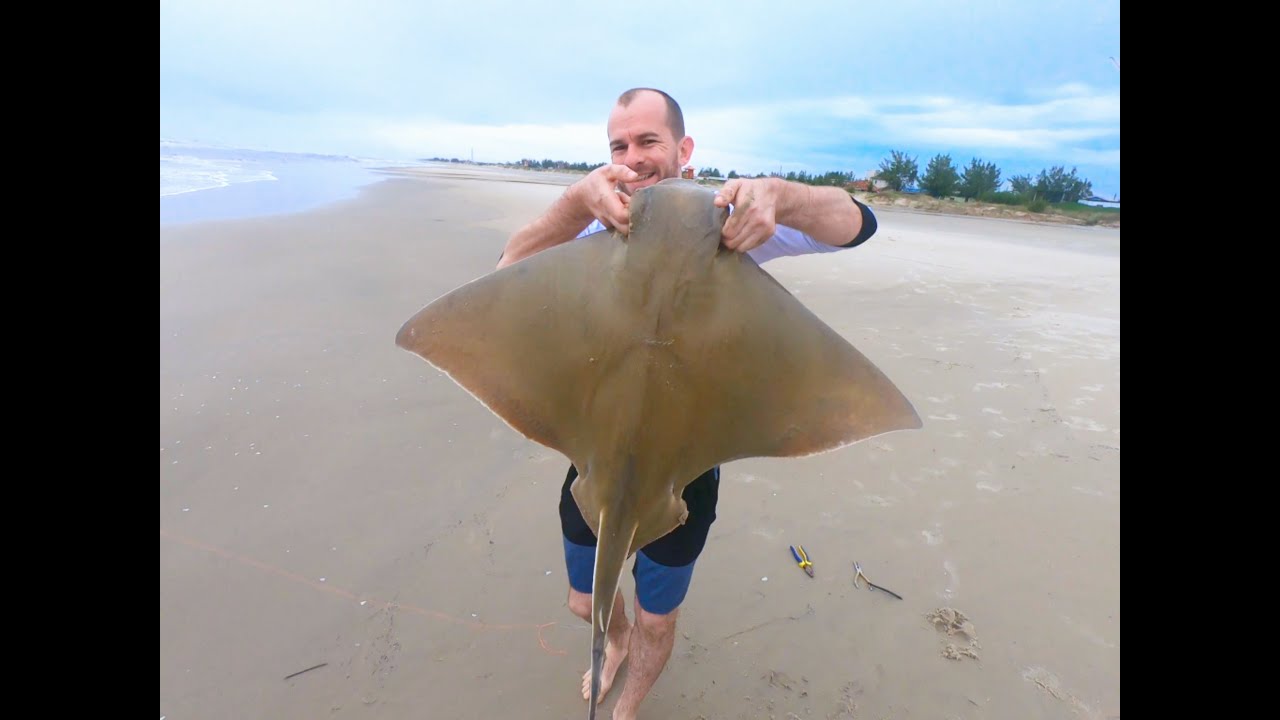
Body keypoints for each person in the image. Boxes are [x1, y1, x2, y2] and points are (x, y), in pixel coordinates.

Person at [496, 87, 879, 720]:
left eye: (648, 141)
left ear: (684, 148)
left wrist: (782, 195)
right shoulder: (597, 221)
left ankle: (629, 705)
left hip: (685, 470)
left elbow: (857, 222)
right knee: (582, 601)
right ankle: (610, 641)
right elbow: (507, 270)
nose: (634, 157)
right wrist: (571, 202)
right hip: (596, 452)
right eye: (619, 145)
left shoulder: (737, 222)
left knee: (656, 618)